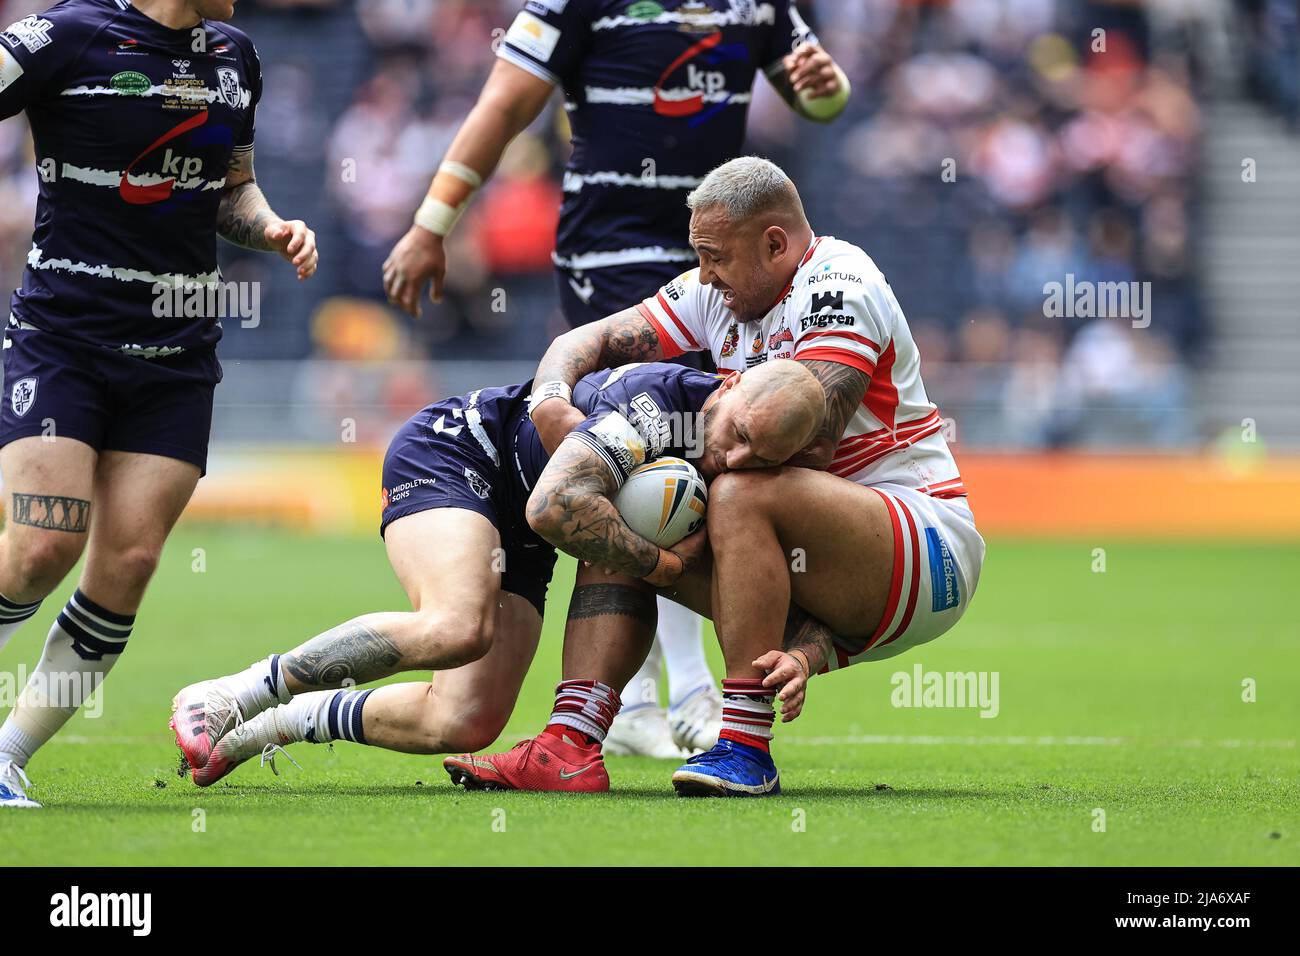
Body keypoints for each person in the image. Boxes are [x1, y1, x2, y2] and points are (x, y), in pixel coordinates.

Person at [381, 0, 852, 758]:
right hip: (615, 251)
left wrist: (827, 88)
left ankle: (652, 695)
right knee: (660, 449)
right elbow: (504, 104)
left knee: (709, 450)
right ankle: (667, 691)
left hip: (727, 254)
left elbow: (820, 98)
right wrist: (434, 223)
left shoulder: (757, 4)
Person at [449, 155, 985, 795]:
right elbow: (586, 341)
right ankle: (571, 743)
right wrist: (551, 402)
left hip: (923, 542)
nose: (704, 274)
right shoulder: (720, 289)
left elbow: (804, 449)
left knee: (735, 487)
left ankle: (743, 745)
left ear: (775, 244)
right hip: (821, 550)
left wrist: (646, 449)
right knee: (632, 497)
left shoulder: (841, 287)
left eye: (715, 256)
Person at [170, 359, 825, 789]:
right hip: (462, 454)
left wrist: (802, 655)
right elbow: (556, 506)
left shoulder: (740, 462)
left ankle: (273, 726)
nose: (731, 456)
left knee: (464, 720)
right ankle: (234, 693)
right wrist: (661, 563)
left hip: (526, 529)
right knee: (457, 626)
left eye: (757, 454)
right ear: (734, 382)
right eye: (736, 432)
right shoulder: (655, 407)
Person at [0, 0, 317, 809]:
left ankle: (7, 756)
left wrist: (273, 228)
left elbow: (231, 192)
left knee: (128, 565)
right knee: (41, 545)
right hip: (63, 339)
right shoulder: (64, 37)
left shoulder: (236, 56)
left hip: (177, 354)